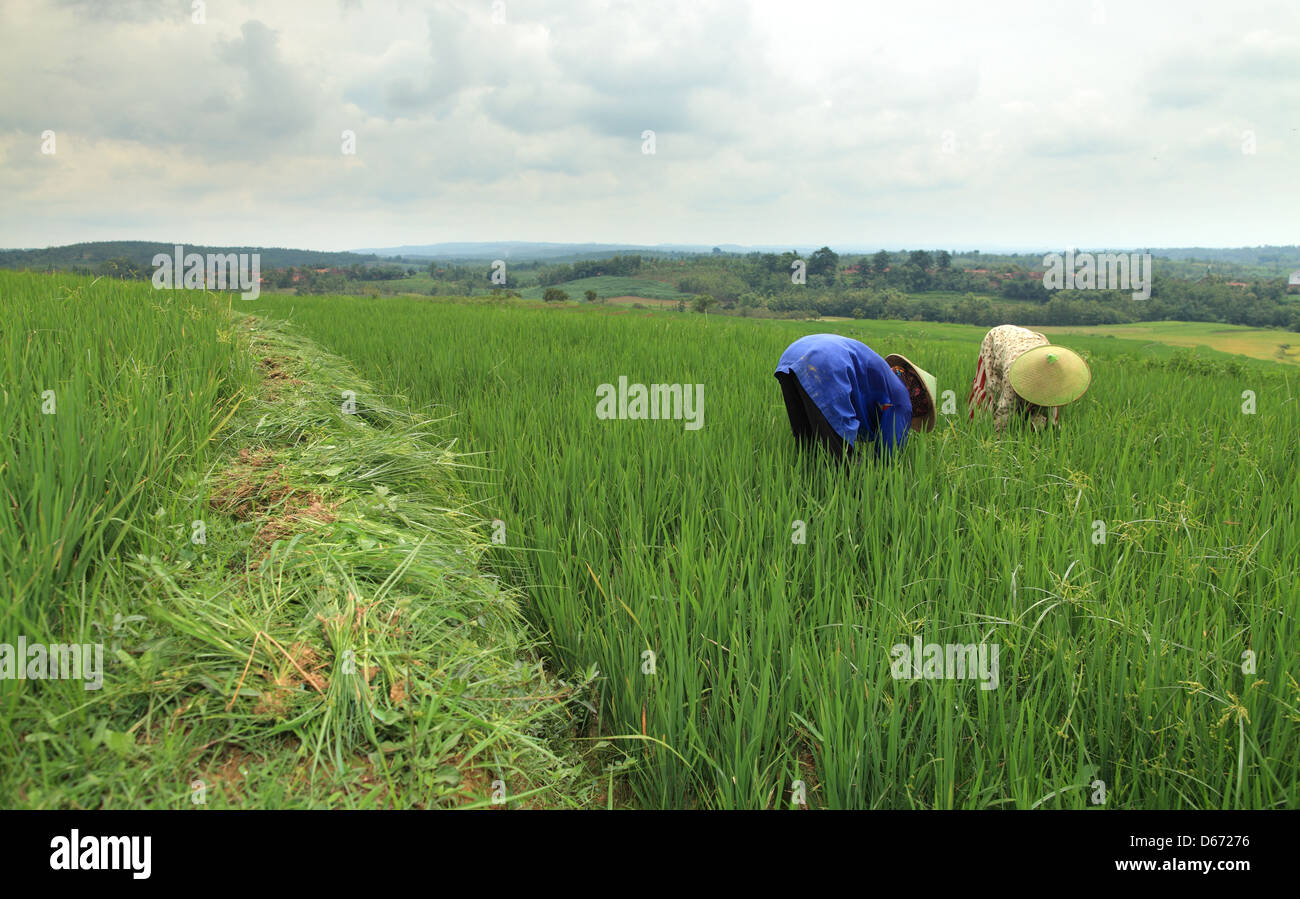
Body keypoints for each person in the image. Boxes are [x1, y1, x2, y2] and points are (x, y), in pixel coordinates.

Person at [774, 333, 936, 461]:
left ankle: (807, 488)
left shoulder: (887, 382)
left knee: (808, 448)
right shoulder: (902, 400)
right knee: (843, 458)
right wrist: (885, 479)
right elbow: (889, 454)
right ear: (918, 399)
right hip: (826, 363)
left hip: (792, 355)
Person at [967, 325, 1091, 431]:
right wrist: (999, 442)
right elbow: (1005, 410)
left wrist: (1052, 432)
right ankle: (977, 425)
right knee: (994, 389)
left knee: (1043, 402)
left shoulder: (1053, 374)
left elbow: (1051, 408)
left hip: (1033, 341)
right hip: (999, 339)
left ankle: (1032, 428)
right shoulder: (1014, 374)